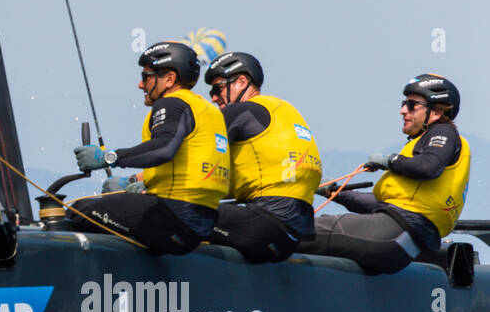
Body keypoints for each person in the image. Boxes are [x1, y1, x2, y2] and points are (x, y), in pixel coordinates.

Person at [67, 41, 229, 254]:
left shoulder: (172, 103)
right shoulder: (208, 110)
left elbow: (163, 149)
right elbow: (183, 164)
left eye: (146, 76)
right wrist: (134, 183)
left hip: (174, 217)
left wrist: (107, 157)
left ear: (170, 79)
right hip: (201, 223)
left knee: (79, 211)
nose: (140, 85)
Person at [304, 74, 470, 274]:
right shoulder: (420, 162)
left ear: (435, 112)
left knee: (288, 230)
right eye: (403, 103)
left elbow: (428, 167)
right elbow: (382, 206)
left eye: (411, 104)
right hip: (398, 239)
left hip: (395, 231)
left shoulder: (443, 132)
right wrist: (335, 192)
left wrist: (390, 161)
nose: (402, 110)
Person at [202, 52, 322, 262]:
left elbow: (191, 158)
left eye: (218, 88)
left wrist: (134, 181)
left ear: (241, 82)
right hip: (293, 236)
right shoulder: (284, 109)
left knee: (177, 215)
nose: (213, 97)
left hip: (264, 224)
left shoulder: (240, 111)